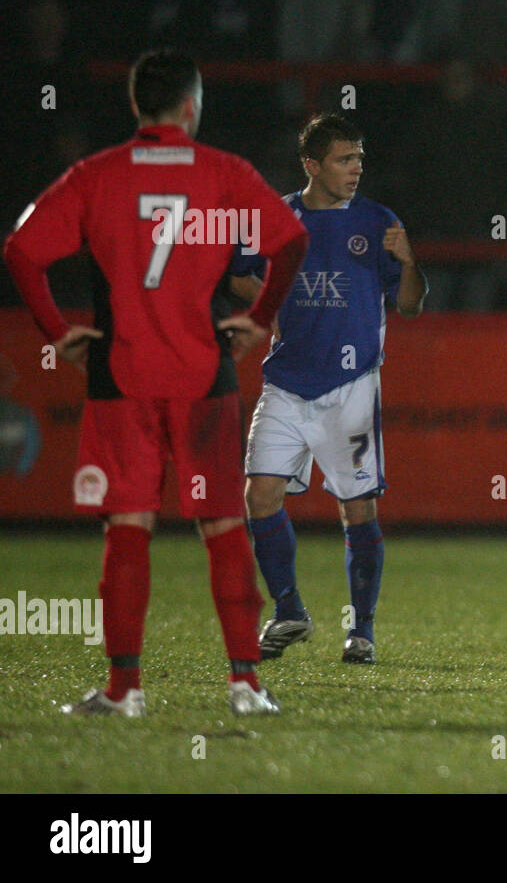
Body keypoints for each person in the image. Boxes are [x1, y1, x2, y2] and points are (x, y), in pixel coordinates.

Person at [3, 49, 307, 716]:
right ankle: (245, 685)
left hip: (123, 374)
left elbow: (21, 250)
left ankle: (124, 689)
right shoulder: (224, 173)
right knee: (224, 524)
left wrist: (57, 330)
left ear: (136, 105)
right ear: (192, 107)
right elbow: (290, 240)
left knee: (129, 529)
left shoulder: (96, 174)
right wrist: (258, 318)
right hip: (204, 373)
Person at [231, 113, 426, 666]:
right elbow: (237, 273)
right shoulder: (277, 217)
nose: (357, 168)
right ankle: (289, 609)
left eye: (360, 158)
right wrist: (271, 301)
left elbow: (409, 304)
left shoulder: (378, 221)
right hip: (287, 380)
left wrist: (410, 261)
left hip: (351, 386)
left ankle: (361, 631)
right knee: (258, 495)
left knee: (356, 508)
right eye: (345, 159)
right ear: (312, 165)